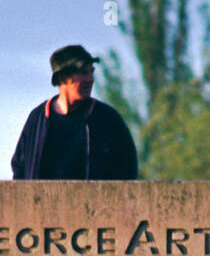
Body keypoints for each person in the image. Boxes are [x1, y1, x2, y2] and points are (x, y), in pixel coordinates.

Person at [10, 44, 138, 180]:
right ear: (62, 77)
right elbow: (20, 169)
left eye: (91, 72)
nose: (90, 79)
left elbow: (127, 171)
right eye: (83, 73)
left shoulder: (108, 119)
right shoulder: (37, 119)